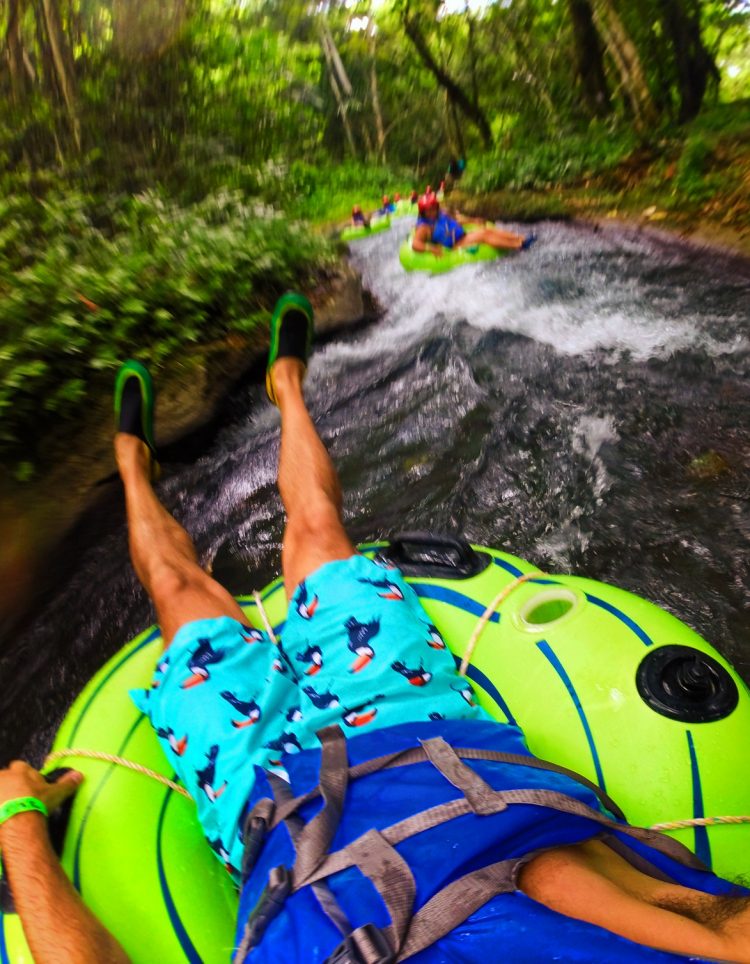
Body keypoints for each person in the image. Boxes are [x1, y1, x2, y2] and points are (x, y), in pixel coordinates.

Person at [2, 292, 750, 963]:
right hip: (422, 724)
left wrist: (19, 824)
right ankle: (289, 389)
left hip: (270, 799)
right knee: (321, 536)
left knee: (179, 592)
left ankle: (132, 464)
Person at [413, 192, 536, 259]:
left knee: (487, 229)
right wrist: (431, 249)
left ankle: (520, 238)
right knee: (484, 235)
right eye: (428, 210)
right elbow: (415, 244)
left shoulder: (440, 214)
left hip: (461, 236)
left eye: (433, 208)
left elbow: (456, 220)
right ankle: (518, 246)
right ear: (422, 212)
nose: (431, 211)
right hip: (454, 245)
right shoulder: (424, 227)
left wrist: (472, 220)